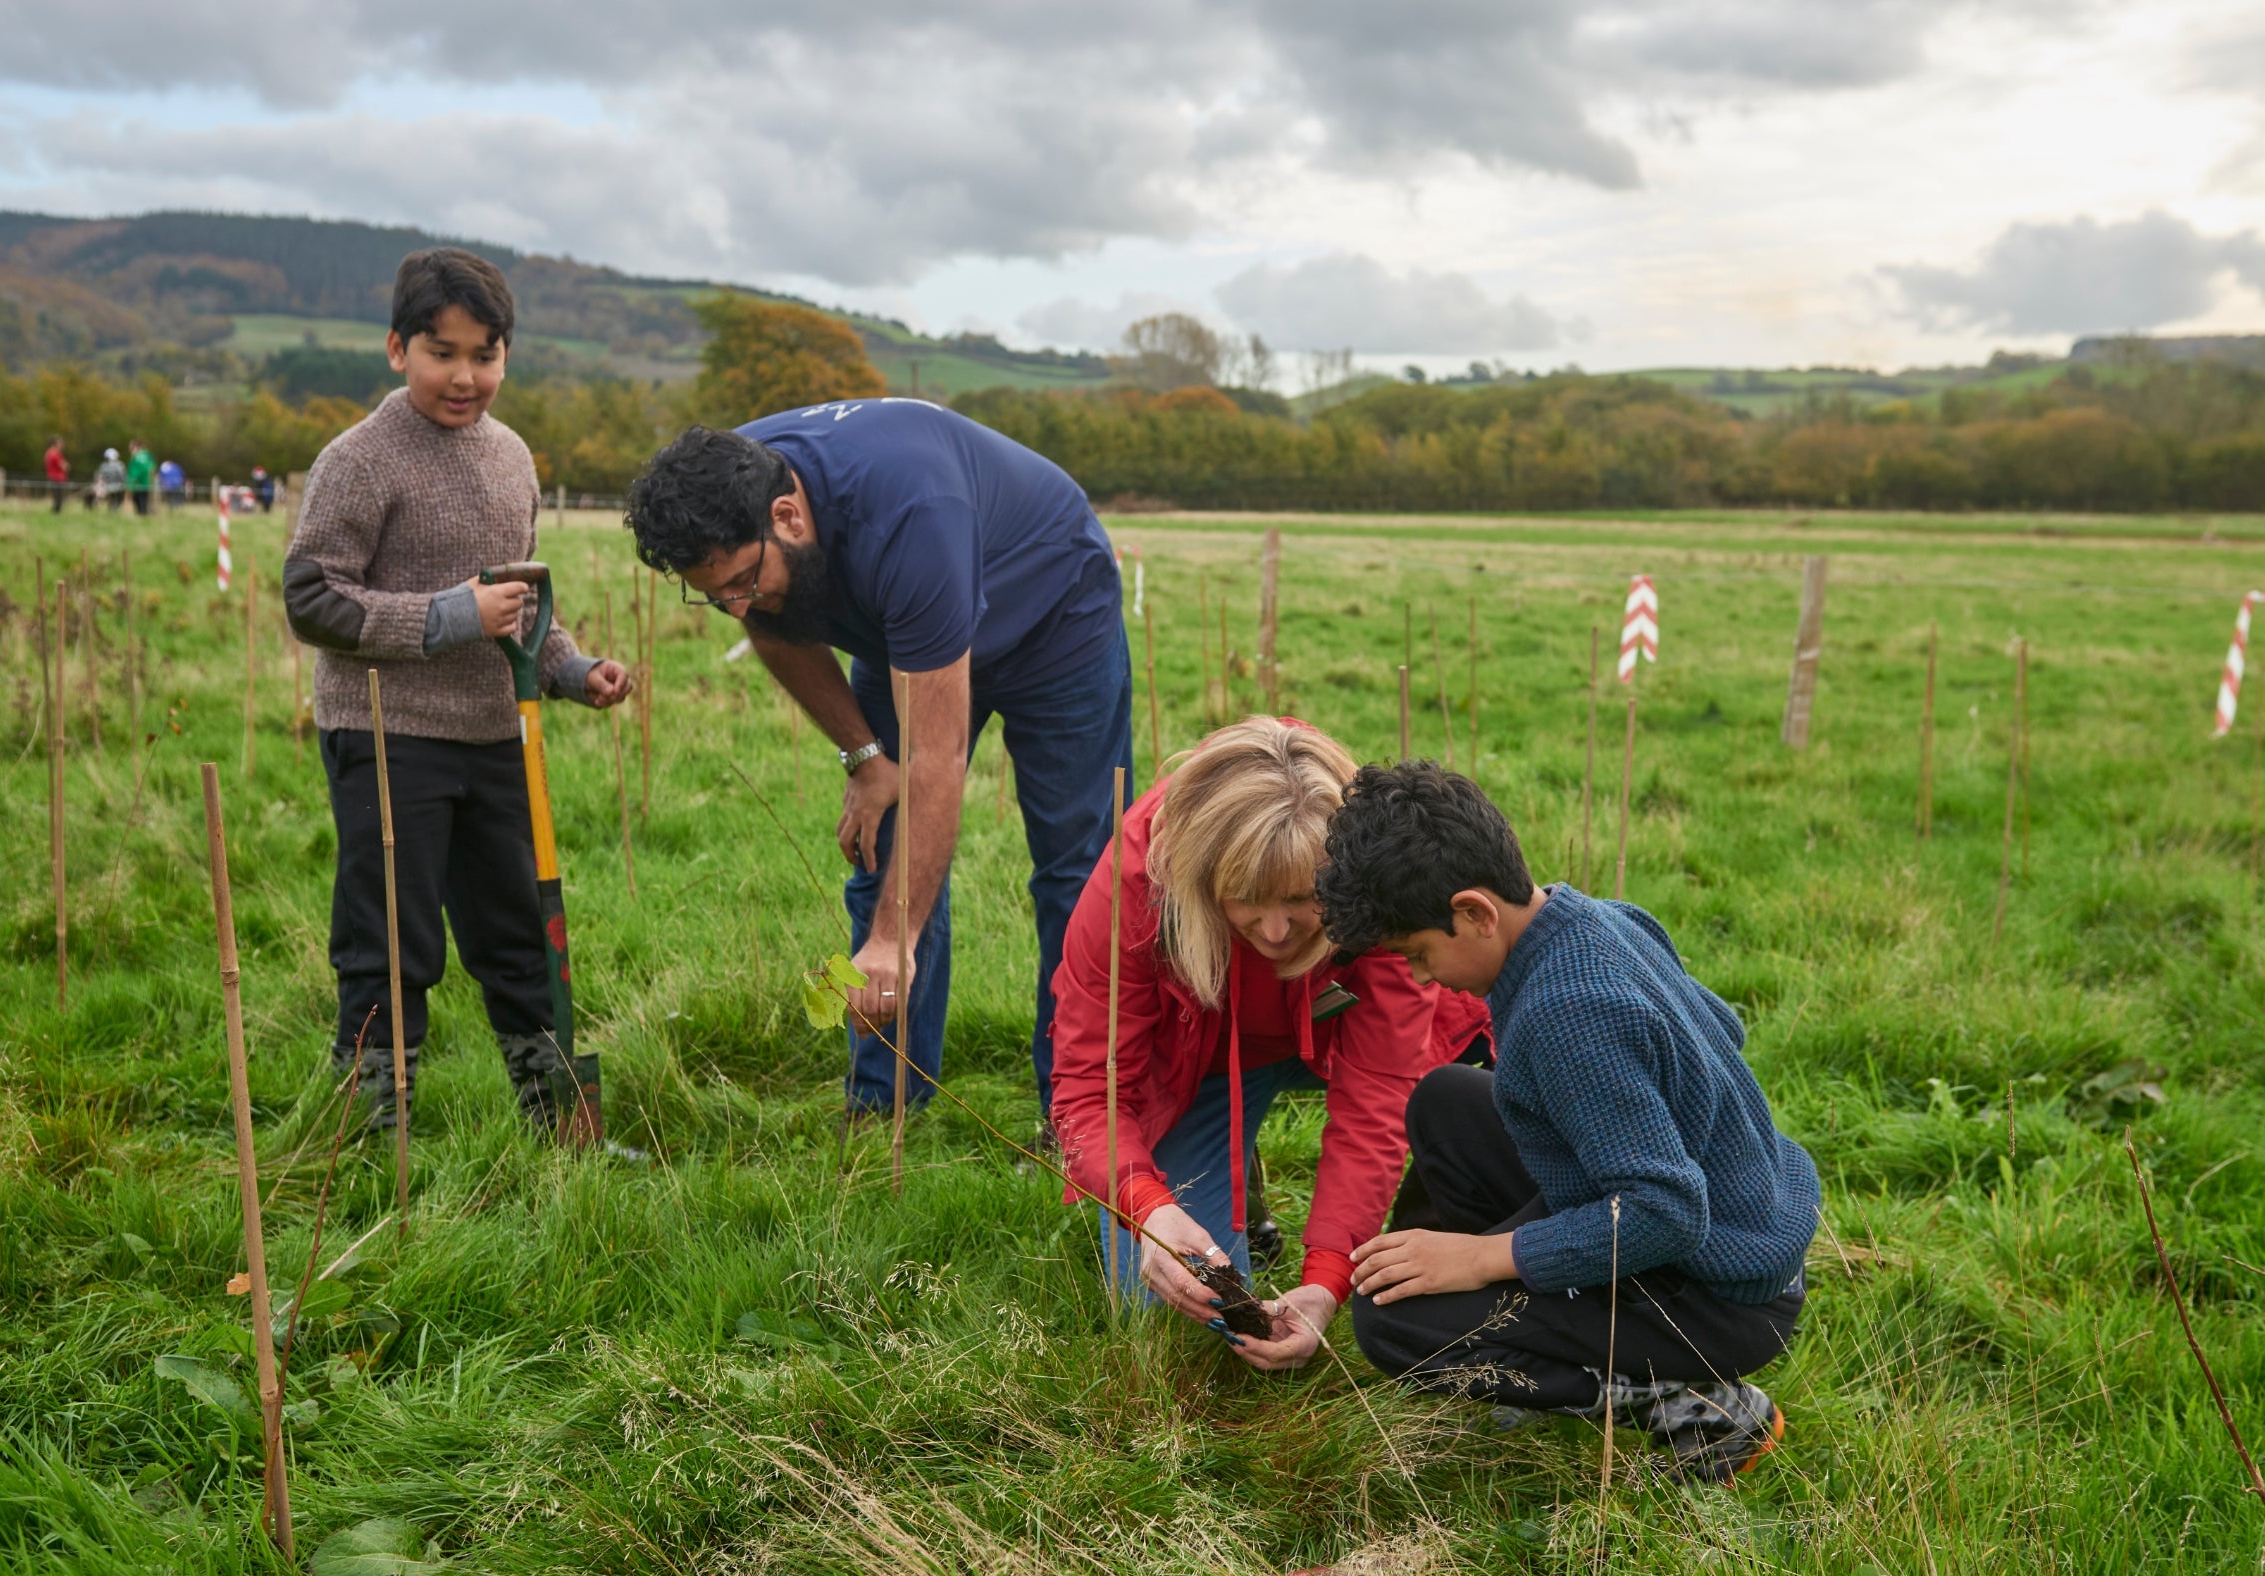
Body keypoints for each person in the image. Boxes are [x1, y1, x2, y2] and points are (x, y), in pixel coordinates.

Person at [625, 404, 1127, 1129]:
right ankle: (887, 1102)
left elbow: (936, 754)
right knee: (884, 842)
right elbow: (774, 623)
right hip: (909, 622)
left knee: (1080, 871)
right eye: (712, 594)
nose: (733, 606)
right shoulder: (734, 485)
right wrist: (864, 758)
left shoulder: (909, 515)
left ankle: (1079, 1111)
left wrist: (896, 936)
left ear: (789, 515)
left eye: (740, 579)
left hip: (1053, 614)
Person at [1316, 763, 1819, 1484]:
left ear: (1476, 911)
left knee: (1391, 1324)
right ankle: (1530, 1337)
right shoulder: (1592, 915)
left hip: (1715, 1291)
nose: (1425, 978)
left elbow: (1666, 1211)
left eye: (1420, 954)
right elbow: (1723, 1026)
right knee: (1447, 1102)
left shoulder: (1566, 1014)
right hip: (1729, 1219)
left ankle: (1696, 1405)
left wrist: (1482, 1260)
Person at [282, 246, 634, 1144]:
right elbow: (312, 597)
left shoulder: (513, 457)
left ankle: (557, 1119)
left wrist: (570, 668)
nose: (465, 376)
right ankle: (371, 1131)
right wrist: (447, 616)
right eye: (443, 352)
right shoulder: (359, 460)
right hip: (386, 733)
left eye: (486, 354)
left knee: (520, 931)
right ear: (398, 349)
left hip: (493, 737)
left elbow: (519, 607)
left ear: (507, 354)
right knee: (391, 937)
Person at [1049, 719, 1489, 1370]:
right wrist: (1147, 1209)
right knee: (1179, 1320)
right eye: (1248, 900)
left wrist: (1326, 1280)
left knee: (1461, 1093)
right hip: (1202, 1055)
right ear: (1202, 877)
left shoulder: (1375, 873)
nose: (1277, 929)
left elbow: (1377, 1096)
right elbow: (1089, 1087)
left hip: (1338, 1030)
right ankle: (1229, 1161)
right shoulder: (1141, 880)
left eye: (1301, 899)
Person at [124, 440, 154, 516]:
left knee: (141, 500)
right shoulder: (146, 455)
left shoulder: (139, 457)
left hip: (140, 483)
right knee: (140, 500)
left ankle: (142, 516)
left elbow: (136, 472)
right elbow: (152, 466)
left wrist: (131, 481)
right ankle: (142, 515)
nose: (129, 450)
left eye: (131, 448)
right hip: (143, 483)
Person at [44, 436, 70, 514]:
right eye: (60, 443)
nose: (62, 445)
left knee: (56, 497)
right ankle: (56, 513)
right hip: (58, 478)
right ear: (55, 444)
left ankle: (55, 513)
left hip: (52, 477)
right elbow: (64, 466)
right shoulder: (55, 454)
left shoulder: (48, 453)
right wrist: (66, 466)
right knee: (59, 498)